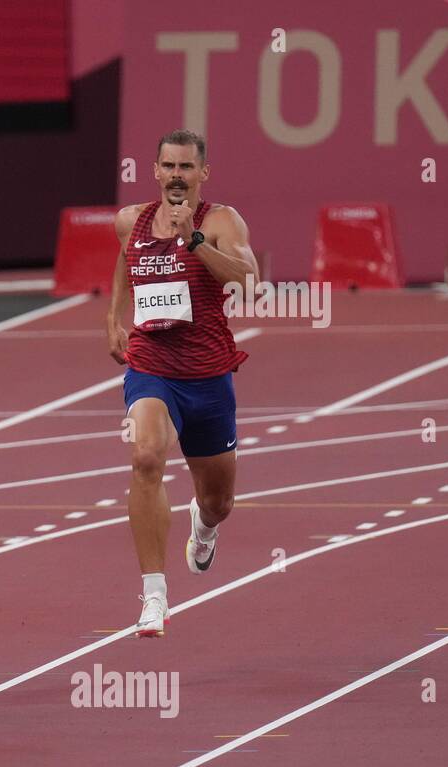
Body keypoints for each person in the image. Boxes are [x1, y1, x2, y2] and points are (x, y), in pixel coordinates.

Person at [104, 130, 258, 637]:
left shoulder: (220, 221)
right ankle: (153, 596)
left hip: (208, 377)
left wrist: (193, 240)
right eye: (168, 166)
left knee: (219, 502)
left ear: (203, 173)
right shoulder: (132, 220)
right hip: (152, 365)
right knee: (146, 456)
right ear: (155, 170)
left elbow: (248, 281)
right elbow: (127, 259)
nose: (176, 175)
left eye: (186, 168)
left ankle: (205, 526)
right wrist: (113, 316)